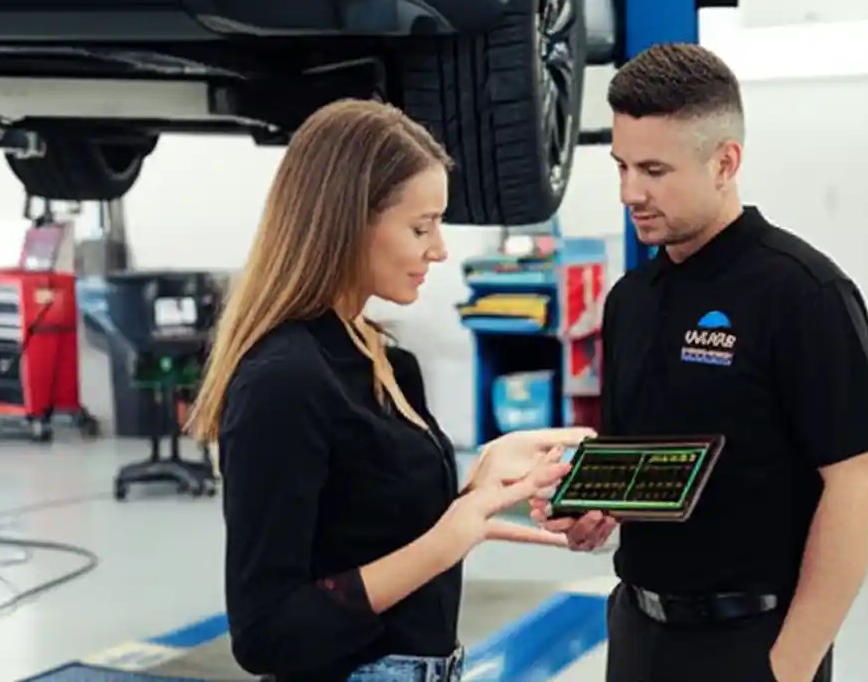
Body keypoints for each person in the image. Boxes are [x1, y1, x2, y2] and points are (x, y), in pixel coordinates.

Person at [187, 99, 592, 682]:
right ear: (347, 222)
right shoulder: (285, 379)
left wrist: (482, 477)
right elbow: (267, 633)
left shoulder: (385, 359)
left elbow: (379, 533)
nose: (439, 249)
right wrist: (452, 538)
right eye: (421, 227)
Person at [531, 43, 868, 682]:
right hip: (638, 631)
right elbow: (633, 459)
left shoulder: (803, 292)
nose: (630, 192)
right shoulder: (630, 301)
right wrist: (594, 510)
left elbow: (859, 488)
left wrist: (789, 664)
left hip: (752, 642)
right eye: (621, 166)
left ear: (725, 162)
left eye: (654, 170)